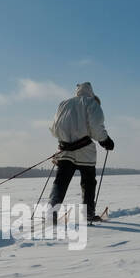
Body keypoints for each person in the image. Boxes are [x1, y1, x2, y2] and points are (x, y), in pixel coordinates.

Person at [48, 82, 113, 222]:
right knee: (88, 183)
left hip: (65, 150)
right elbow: (96, 125)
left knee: (60, 182)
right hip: (85, 151)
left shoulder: (63, 104)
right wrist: (105, 140)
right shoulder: (91, 102)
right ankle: (88, 214)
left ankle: (51, 211)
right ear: (91, 92)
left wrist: (65, 140)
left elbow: (54, 127)